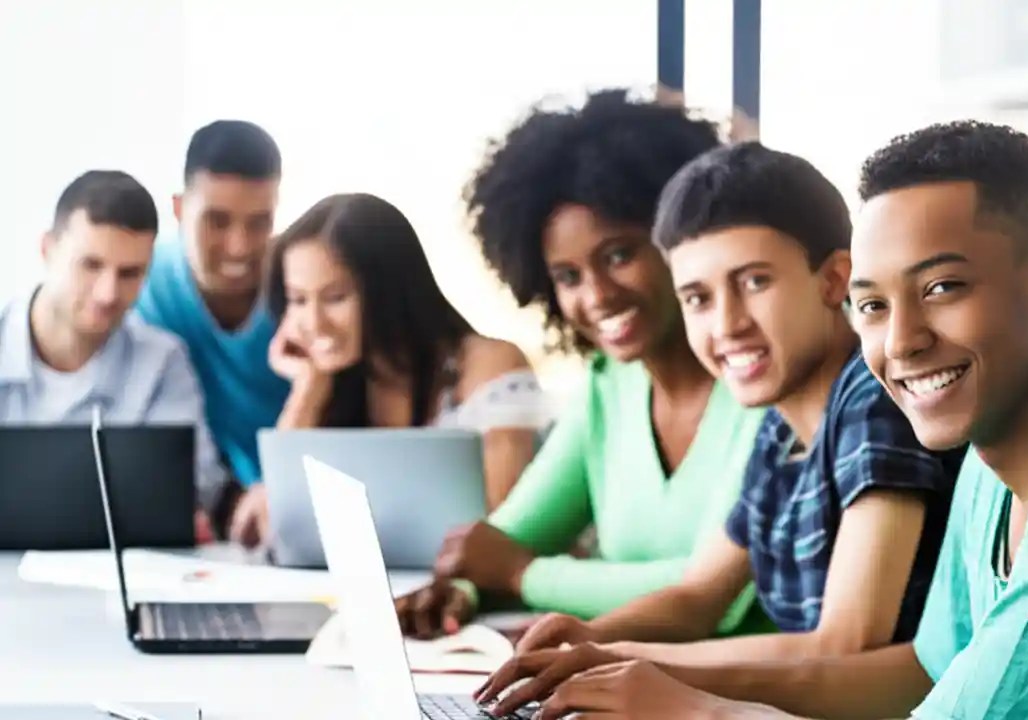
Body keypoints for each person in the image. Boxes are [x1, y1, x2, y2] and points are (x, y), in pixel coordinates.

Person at [483, 121, 1028, 720]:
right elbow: (922, 674)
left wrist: (691, 708)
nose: (898, 342)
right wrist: (630, 665)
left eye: (941, 289)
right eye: (872, 304)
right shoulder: (989, 464)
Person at [477, 142, 964, 717]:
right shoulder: (781, 431)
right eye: (698, 298)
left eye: (755, 282)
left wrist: (632, 664)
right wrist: (590, 642)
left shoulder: (872, 401)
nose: (726, 324)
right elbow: (697, 599)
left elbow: (846, 644)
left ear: (834, 280)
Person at [394, 89, 767, 638]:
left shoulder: (764, 380)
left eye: (619, 255)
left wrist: (523, 575)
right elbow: (511, 537)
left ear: (680, 238)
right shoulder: (608, 387)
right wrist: (461, 588)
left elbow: (711, 591)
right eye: (568, 276)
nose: (596, 296)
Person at [264, 192, 546, 515]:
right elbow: (283, 516)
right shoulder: (337, 384)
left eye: (336, 297)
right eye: (298, 300)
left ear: (389, 289)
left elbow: (499, 520)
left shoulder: (489, 365)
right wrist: (307, 391)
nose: (314, 323)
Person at [0, 170, 229, 528]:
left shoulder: (162, 361)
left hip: (119, 573)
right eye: (91, 265)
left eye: (130, 273)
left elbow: (194, 485)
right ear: (47, 249)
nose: (108, 293)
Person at [134, 119, 289, 543]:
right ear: (180, 209)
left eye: (259, 222)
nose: (240, 246)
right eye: (217, 221)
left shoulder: (300, 284)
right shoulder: (138, 280)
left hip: (296, 497)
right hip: (206, 505)